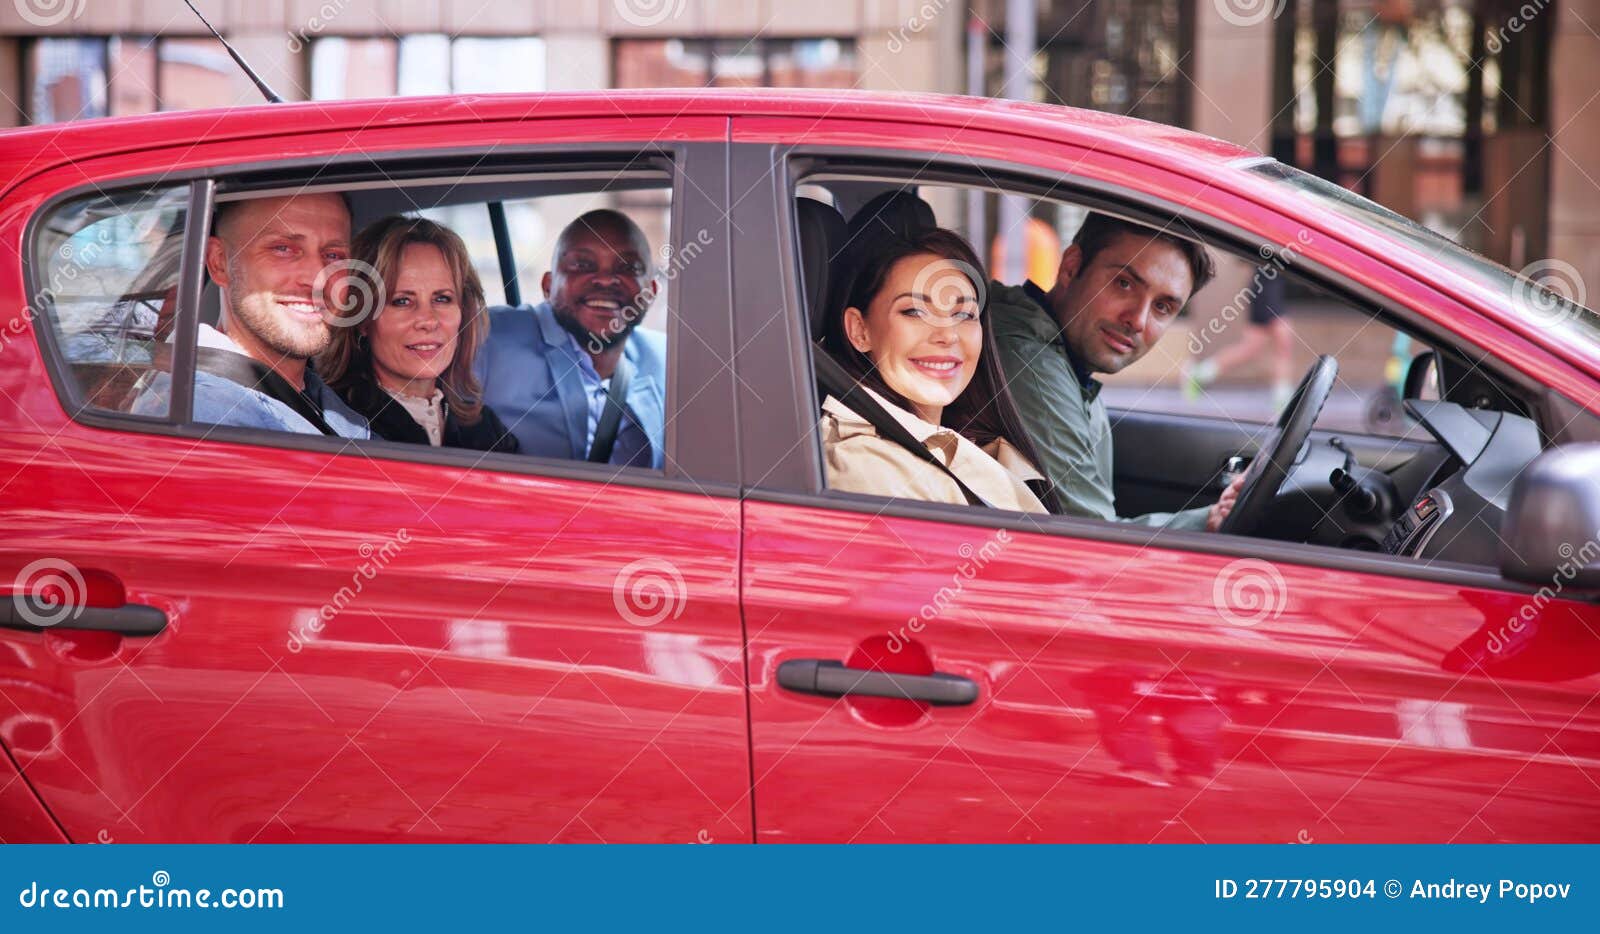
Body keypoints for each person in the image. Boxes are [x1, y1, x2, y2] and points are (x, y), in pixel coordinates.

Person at [990, 212, 1241, 531]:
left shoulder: (1069, 360)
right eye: (1124, 284)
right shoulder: (1029, 361)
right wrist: (1208, 522)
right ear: (1071, 267)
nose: (1137, 320)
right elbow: (1096, 540)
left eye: (1162, 307)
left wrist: (1212, 517)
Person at [818, 225, 1058, 514]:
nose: (947, 335)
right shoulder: (866, 467)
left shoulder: (965, 437)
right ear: (860, 330)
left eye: (963, 314)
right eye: (914, 312)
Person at [131, 192, 369, 438]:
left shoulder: (313, 395)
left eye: (333, 255)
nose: (317, 277)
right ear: (219, 263)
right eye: (283, 249)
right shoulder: (205, 415)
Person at [477, 210, 665, 467]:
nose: (606, 279)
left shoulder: (671, 359)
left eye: (628, 267)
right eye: (582, 265)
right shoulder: (487, 338)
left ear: (651, 291)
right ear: (548, 286)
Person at [320, 215, 519, 452]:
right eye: (402, 301)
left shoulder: (483, 424)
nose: (428, 321)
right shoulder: (335, 424)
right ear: (362, 319)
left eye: (442, 298)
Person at [1182, 266, 1295, 410]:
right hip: (1266, 289)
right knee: (1281, 343)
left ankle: (1200, 373)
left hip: (1271, 288)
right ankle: (1282, 400)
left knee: (1252, 348)